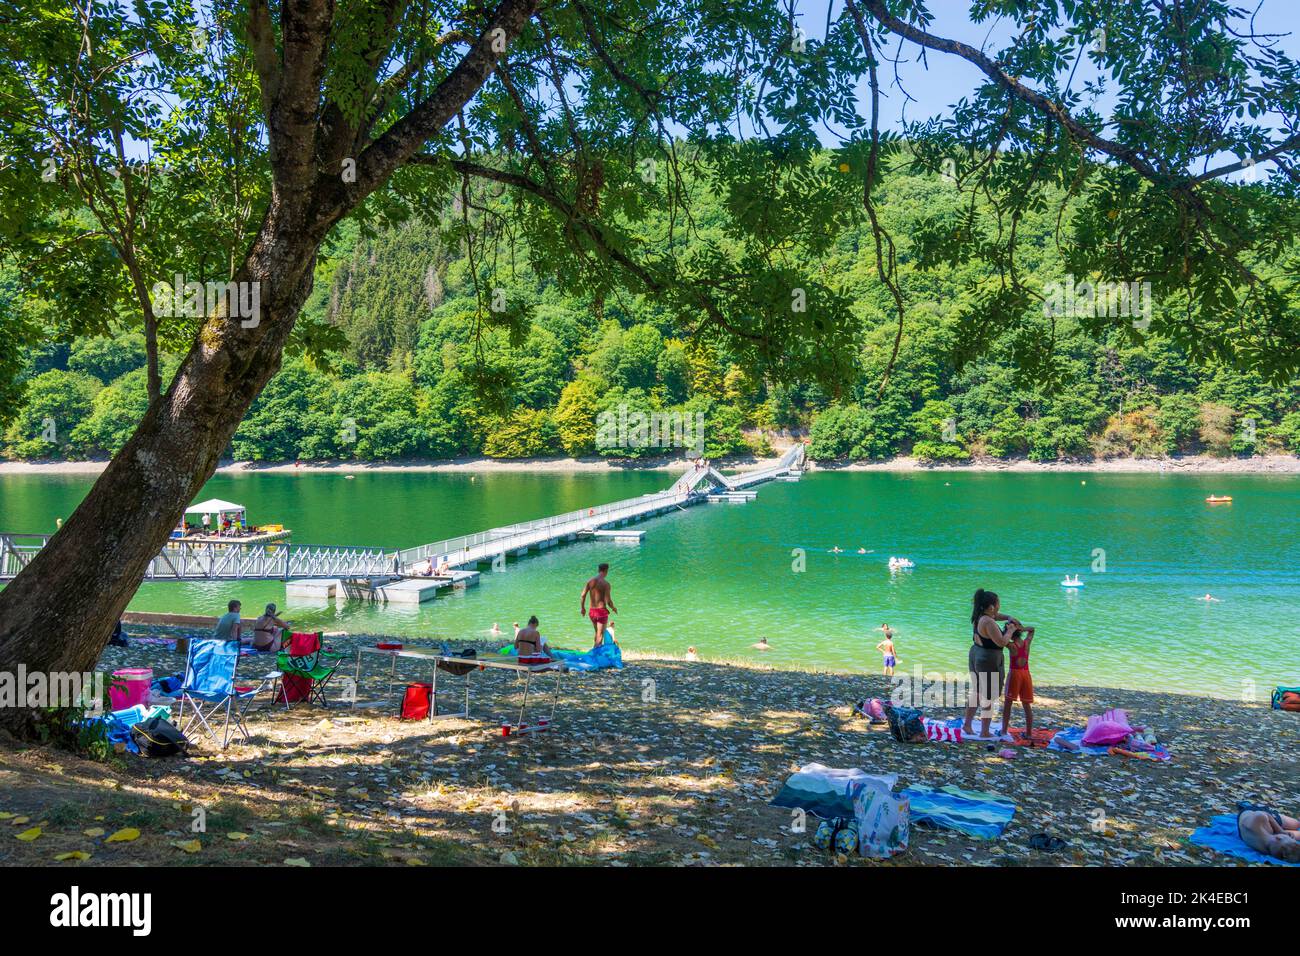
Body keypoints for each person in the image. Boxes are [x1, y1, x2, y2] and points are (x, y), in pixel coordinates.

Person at [962, 589, 1022, 739]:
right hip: (987, 658)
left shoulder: (980, 616)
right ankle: (984, 731)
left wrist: (1008, 617)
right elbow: (1001, 641)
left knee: (977, 691)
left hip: (976, 653)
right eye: (998, 603)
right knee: (988, 694)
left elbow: (997, 616)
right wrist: (1011, 630)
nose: (999, 606)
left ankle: (968, 724)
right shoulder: (988, 622)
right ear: (991, 607)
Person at [1000, 626, 1036, 737]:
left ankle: (1004, 730)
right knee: (1026, 704)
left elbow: (1001, 641)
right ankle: (1029, 733)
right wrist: (1022, 628)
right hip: (1026, 674)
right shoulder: (1027, 643)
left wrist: (1008, 632)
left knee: (1008, 704)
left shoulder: (1011, 646)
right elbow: (1032, 629)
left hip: (1015, 674)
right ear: (1019, 633)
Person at [580, 563, 617, 646]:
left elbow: (582, 595)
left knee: (597, 633)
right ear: (606, 571)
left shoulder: (590, 581)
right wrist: (613, 608)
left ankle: (595, 651)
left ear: (598, 570)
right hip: (601, 612)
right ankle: (595, 656)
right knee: (600, 636)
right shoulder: (606, 584)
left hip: (592, 611)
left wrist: (582, 608)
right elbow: (608, 601)